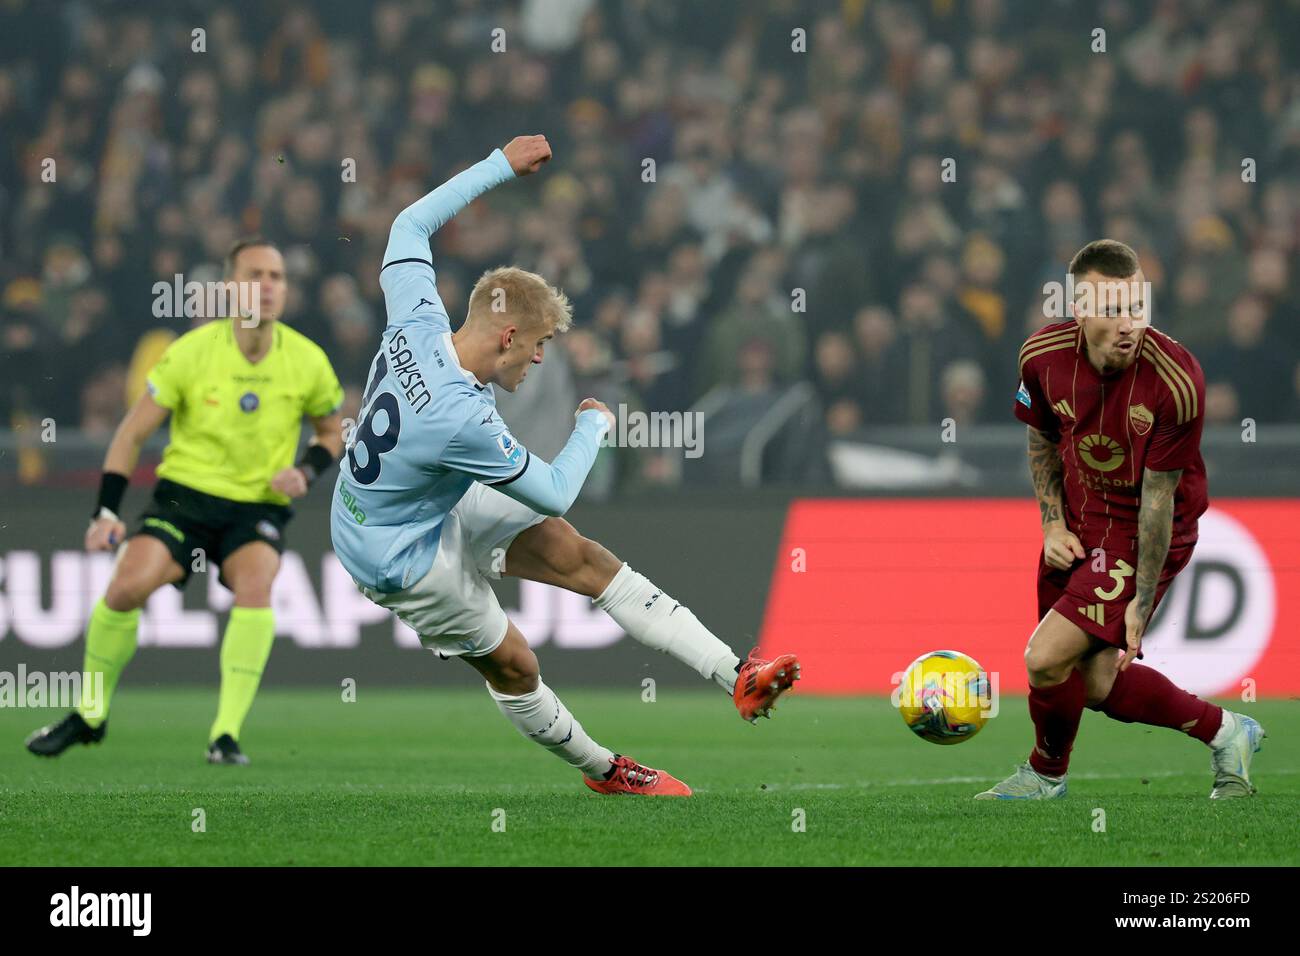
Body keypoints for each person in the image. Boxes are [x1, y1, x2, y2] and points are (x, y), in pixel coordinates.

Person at [330, 135, 800, 796]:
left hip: (414, 495)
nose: (542, 359)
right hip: (394, 555)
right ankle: (606, 772)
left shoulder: (418, 319)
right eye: (541, 344)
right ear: (507, 337)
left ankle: (738, 676)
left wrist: (499, 164)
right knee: (517, 664)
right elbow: (552, 489)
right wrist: (593, 425)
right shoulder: (461, 417)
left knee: (577, 553)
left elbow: (410, 224)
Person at [26, 239, 346, 765]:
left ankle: (225, 735)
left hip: (256, 506)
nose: (268, 287)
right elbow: (129, 436)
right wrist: (106, 512)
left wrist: (307, 471)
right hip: (185, 499)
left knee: (257, 583)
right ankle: (89, 715)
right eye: (256, 275)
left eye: (277, 277)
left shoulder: (308, 360)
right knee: (126, 587)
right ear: (229, 287)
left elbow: (332, 432)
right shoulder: (192, 353)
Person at [976, 238, 1265, 801]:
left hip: (1146, 530)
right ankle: (1228, 732)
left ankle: (1044, 776)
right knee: (1093, 681)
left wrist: (1142, 598)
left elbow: (1158, 499)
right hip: (1082, 522)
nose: (1129, 323)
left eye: (1136, 307)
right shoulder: (1040, 358)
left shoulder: (1175, 380)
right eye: (1111, 311)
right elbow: (1042, 435)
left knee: (1043, 658)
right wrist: (1052, 524)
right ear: (1079, 311)